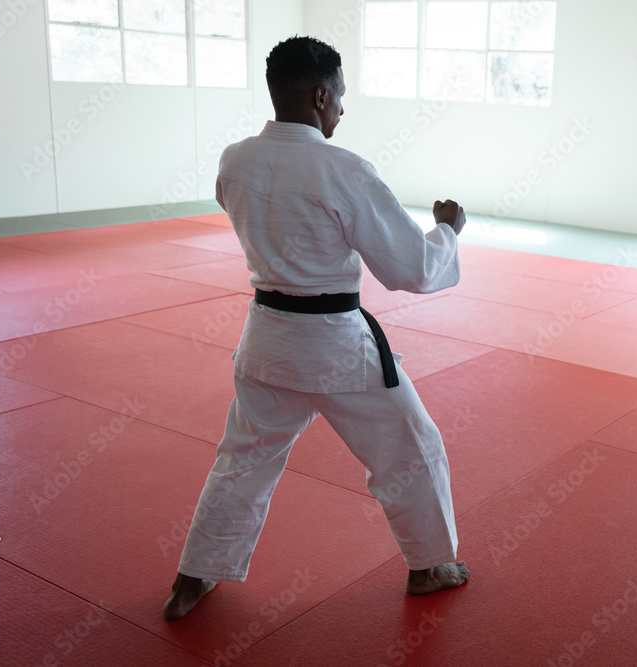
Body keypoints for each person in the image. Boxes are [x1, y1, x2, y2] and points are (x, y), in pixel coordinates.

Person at [163, 35, 470, 621]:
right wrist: (448, 230)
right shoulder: (344, 168)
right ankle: (430, 565)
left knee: (243, 459)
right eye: (340, 99)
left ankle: (191, 578)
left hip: (266, 340)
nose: (342, 111)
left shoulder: (236, 158)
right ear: (321, 93)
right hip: (334, 348)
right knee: (413, 447)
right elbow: (412, 270)